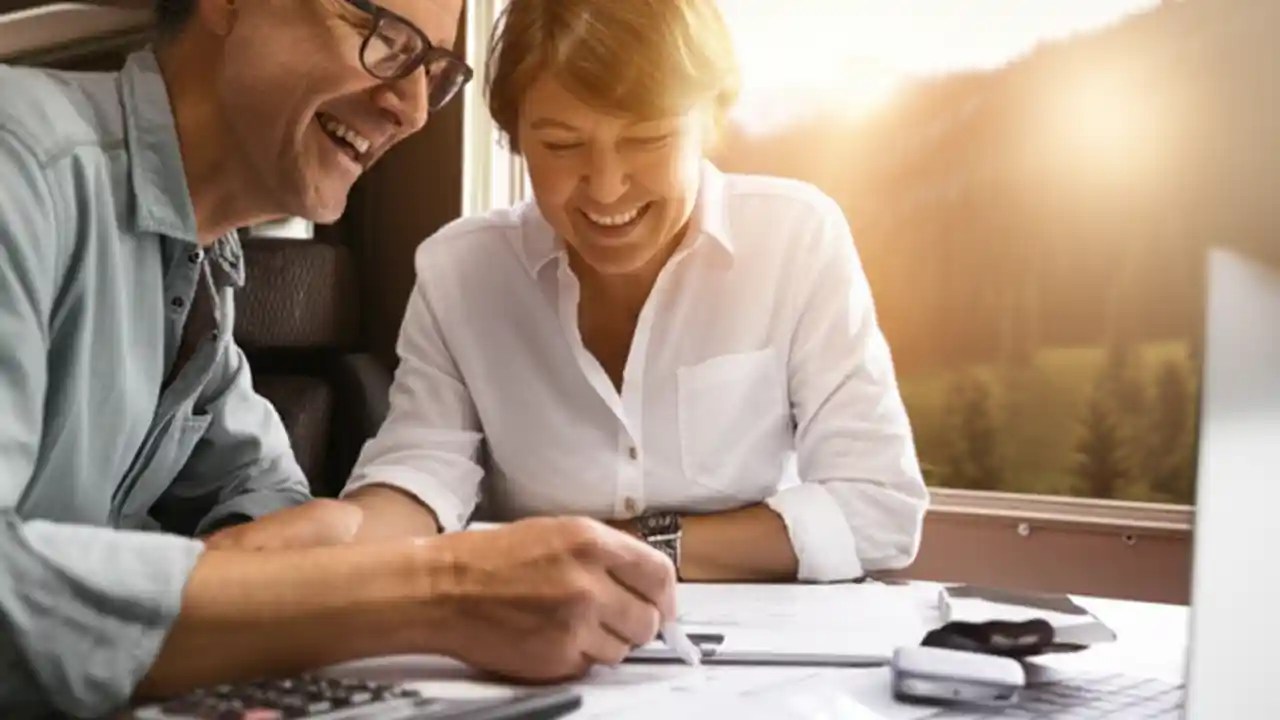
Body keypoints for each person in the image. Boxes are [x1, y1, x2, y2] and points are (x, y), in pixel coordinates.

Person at [0, 0, 675, 716]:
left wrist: (244, 582)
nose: (414, 107)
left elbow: (284, 519)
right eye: (385, 37)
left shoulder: (196, 272)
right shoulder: (21, 163)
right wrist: (438, 592)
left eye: (434, 71)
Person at [225, 0, 930, 582]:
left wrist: (621, 547)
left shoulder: (796, 238)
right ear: (516, 138)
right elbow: (421, 469)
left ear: (709, 121)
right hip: (539, 643)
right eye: (561, 146)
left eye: (648, 140)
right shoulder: (460, 271)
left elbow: (878, 510)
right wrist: (336, 548)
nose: (606, 188)